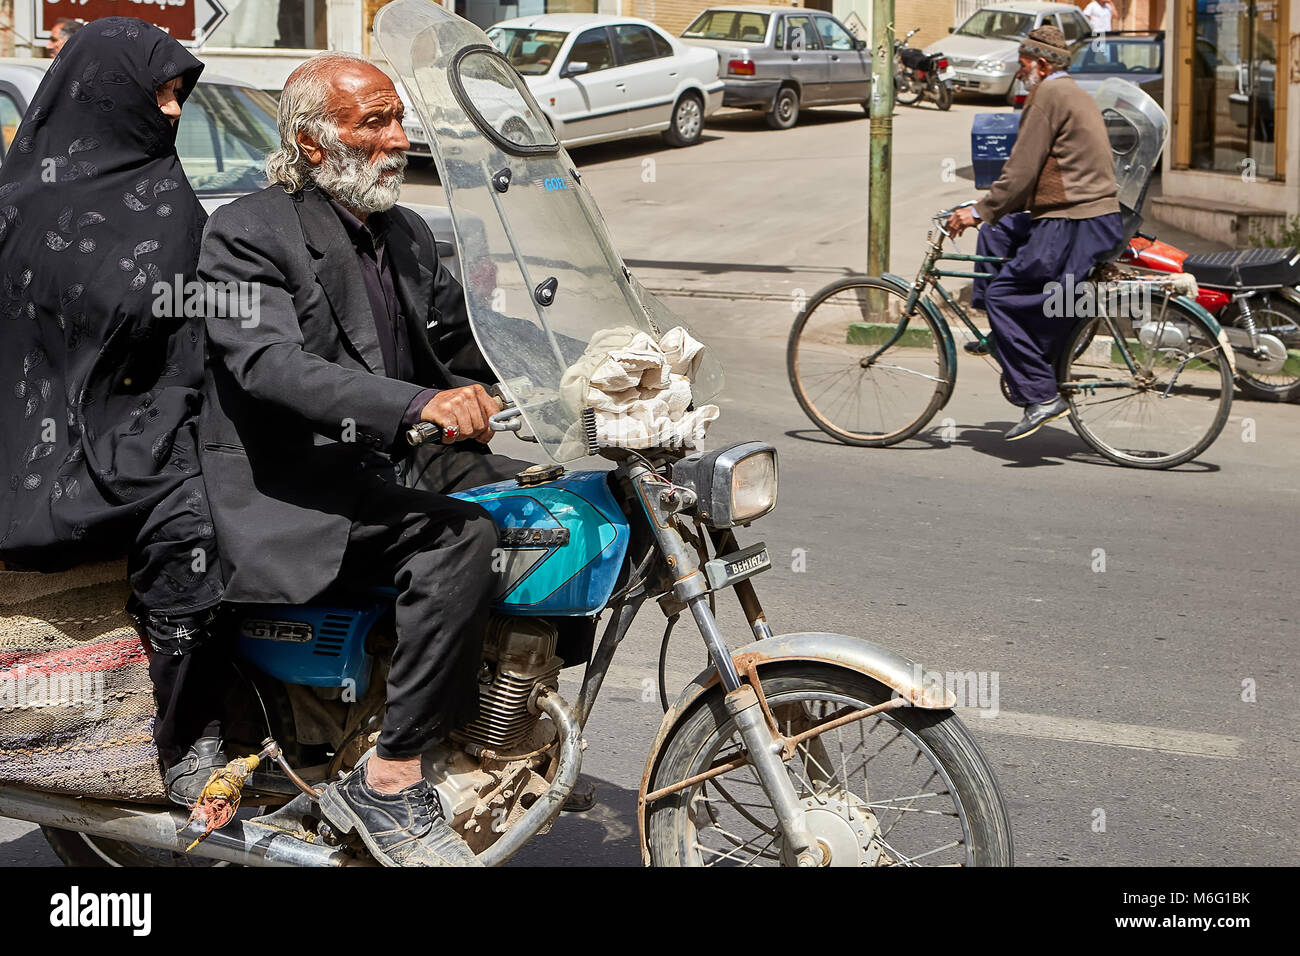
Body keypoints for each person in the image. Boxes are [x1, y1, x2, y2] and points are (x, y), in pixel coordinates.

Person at [197, 51, 533, 867]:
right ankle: (389, 777)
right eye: (373, 122)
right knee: (459, 540)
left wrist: (582, 371)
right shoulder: (244, 233)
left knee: (546, 511)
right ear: (315, 143)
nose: (397, 139)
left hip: (387, 462)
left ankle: (504, 711)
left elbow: (460, 345)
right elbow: (270, 365)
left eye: (398, 119)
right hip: (296, 482)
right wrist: (419, 405)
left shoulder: (404, 232)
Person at [0, 18, 228, 801]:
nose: (172, 110)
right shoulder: (20, 204)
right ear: (105, 94)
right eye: (160, 92)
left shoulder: (165, 196)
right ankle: (189, 729)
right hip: (69, 446)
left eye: (177, 95)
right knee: (197, 516)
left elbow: (200, 324)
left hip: (136, 418)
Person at [946, 25, 1121, 441]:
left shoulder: (1048, 96)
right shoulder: (1070, 91)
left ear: (1041, 65)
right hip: (1083, 215)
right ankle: (1004, 337)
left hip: (1075, 221)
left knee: (1006, 297)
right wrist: (991, 215)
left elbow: (1021, 171)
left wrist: (977, 210)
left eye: (1025, 65)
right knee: (999, 231)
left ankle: (1041, 396)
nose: (1021, 72)